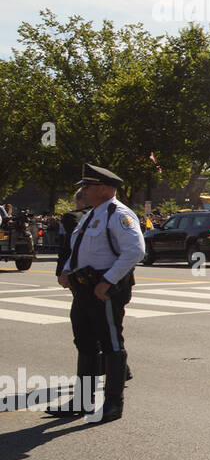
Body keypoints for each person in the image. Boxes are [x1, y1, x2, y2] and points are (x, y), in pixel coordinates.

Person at [54, 164, 144, 422]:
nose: (83, 191)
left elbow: (134, 251)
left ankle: (114, 404)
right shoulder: (92, 214)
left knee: (111, 345)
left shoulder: (119, 214)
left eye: (88, 186)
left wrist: (107, 281)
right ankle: (83, 401)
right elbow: (78, 249)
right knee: (84, 343)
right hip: (84, 289)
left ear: (104, 189)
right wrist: (67, 271)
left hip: (104, 291)